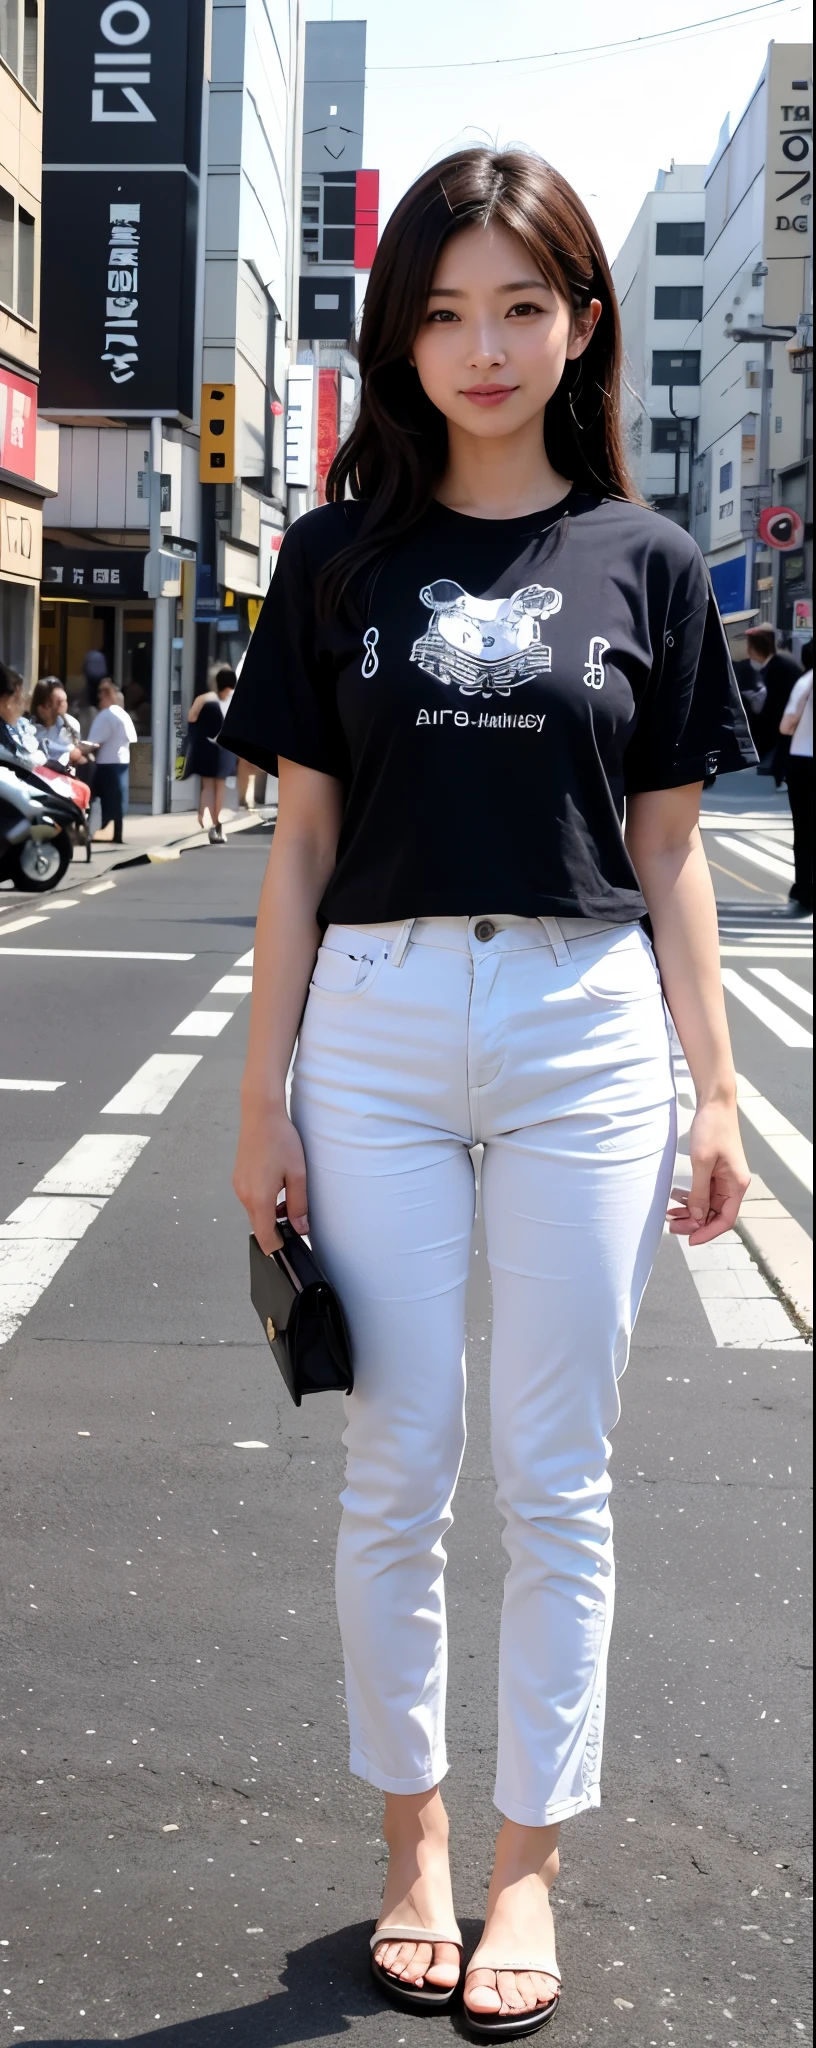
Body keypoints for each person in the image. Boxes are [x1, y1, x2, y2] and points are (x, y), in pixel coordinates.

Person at [222, 148, 756, 2040]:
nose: (482, 343)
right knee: (397, 1456)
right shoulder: (335, 556)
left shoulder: (653, 563)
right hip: (368, 1018)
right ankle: (415, 1844)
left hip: (581, 1024)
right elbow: (296, 844)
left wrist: (714, 1089)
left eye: (520, 303)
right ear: (399, 334)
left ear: (582, 321)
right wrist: (262, 1092)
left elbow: (674, 848)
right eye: (440, 309)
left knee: (559, 1477)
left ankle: (530, 1859)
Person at [733, 625, 802, 766]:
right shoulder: (780, 663)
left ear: (756, 648)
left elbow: (773, 710)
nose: (747, 651)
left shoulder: (776, 669)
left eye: (749, 646)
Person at [184, 665, 238, 843]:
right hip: (226, 748)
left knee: (206, 785)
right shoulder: (235, 699)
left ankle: (203, 816)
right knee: (220, 786)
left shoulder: (204, 699)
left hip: (206, 746)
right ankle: (217, 824)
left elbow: (191, 717)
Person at [779, 639, 813, 916]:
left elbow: (787, 725)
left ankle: (804, 888)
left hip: (804, 760)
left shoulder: (806, 681)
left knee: (804, 829)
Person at [87, 679, 137, 845]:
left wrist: (80, 751)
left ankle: (95, 831)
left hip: (106, 763)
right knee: (118, 800)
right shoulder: (123, 714)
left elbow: (95, 741)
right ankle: (117, 834)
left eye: (101, 695)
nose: (99, 699)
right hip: (121, 762)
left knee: (98, 799)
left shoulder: (107, 715)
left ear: (107, 696)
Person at [30, 677, 94, 807]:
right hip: (37, 784)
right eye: (57, 702)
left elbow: (76, 755)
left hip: (65, 785)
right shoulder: (29, 728)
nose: (62, 706)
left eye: (64, 701)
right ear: (41, 706)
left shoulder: (71, 725)